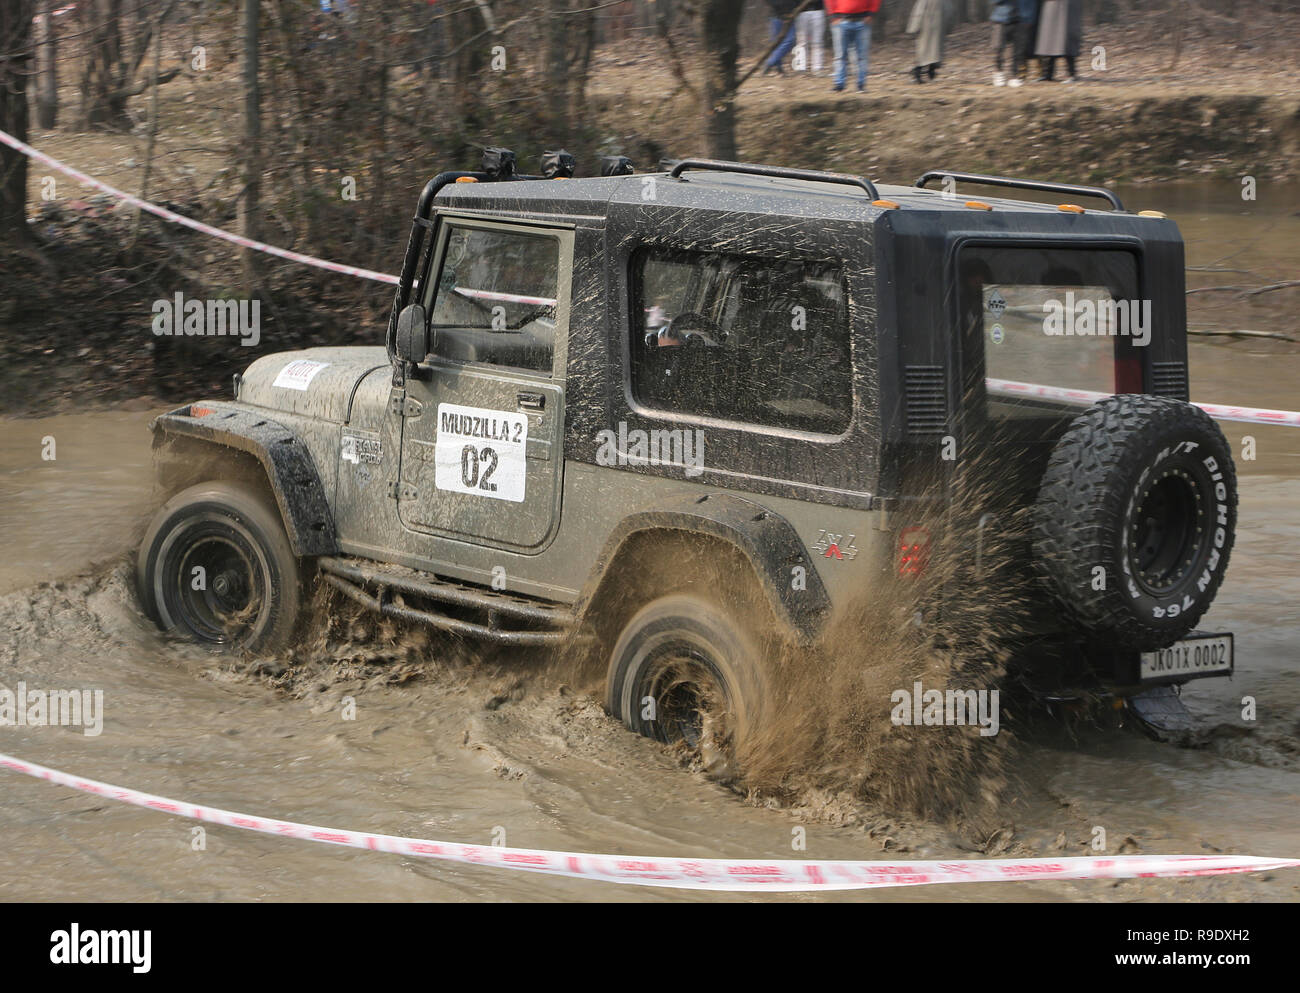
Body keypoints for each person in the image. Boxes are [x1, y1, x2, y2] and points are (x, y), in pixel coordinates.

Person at [826, 0, 878, 92]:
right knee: (840, 56)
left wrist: (870, 13)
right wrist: (832, 16)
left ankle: (861, 85)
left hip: (862, 21)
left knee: (862, 56)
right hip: (841, 20)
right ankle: (839, 84)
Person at [907, 0, 953, 84]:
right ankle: (931, 73)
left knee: (923, 52)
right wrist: (949, 28)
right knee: (935, 53)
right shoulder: (946, 1)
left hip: (925, 29)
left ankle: (917, 74)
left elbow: (918, 14)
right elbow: (950, 14)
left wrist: (913, 28)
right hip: (939, 29)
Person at [1036, 0, 1082, 81]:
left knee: (1066, 41)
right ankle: (1048, 74)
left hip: (1066, 8)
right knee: (1051, 40)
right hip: (1052, 6)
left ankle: (1072, 74)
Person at [763, 0, 802, 75]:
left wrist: (794, 7)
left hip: (789, 16)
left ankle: (770, 62)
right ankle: (779, 68)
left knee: (791, 40)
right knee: (776, 42)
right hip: (776, 16)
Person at [990, 0, 1020, 87]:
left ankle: (1014, 75)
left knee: (1016, 51)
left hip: (1017, 19)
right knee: (999, 49)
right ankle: (998, 73)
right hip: (1000, 20)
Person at [795, 2, 828, 74]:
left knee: (818, 41)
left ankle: (817, 68)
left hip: (818, 10)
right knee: (801, 41)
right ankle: (800, 67)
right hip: (801, 11)